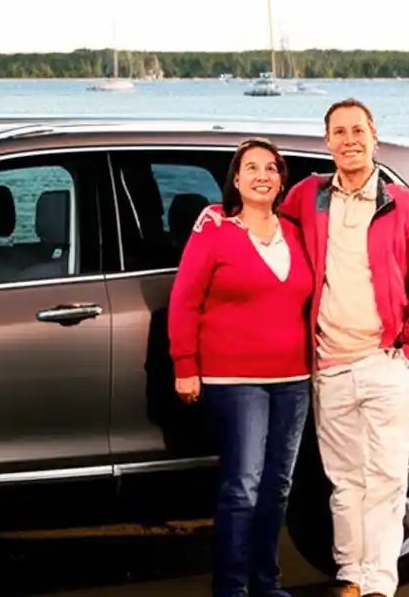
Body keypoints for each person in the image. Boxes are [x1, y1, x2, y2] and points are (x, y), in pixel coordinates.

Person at [277, 99, 409, 597]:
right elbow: (265, 227)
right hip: (329, 365)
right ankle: (350, 575)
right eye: (339, 132)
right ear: (327, 142)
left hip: (384, 361)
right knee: (344, 480)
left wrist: (408, 353)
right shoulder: (309, 197)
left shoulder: (405, 206)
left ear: (374, 136)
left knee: (386, 478)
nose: (349, 140)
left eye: (357, 130)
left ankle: (379, 583)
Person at [168, 138, 314, 597]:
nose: (261, 176)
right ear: (235, 179)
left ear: (282, 181)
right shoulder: (214, 228)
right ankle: (232, 589)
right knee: (243, 485)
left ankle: (266, 582)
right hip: (235, 380)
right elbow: (185, 300)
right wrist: (185, 364)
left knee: (278, 486)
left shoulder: (297, 233)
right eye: (251, 167)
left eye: (271, 168)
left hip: (293, 380)